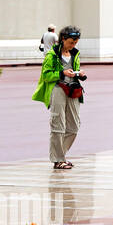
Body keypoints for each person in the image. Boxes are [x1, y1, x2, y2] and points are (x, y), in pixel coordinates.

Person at [32, 25, 84, 170]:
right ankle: (58, 159)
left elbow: (73, 69)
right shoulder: (52, 55)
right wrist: (62, 73)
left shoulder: (75, 53)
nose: (73, 45)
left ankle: (61, 155)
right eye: (71, 42)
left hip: (73, 90)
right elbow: (46, 75)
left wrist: (79, 74)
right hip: (57, 89)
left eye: (75, 42)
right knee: (58, 125)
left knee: (74, 127)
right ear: (63, 39)